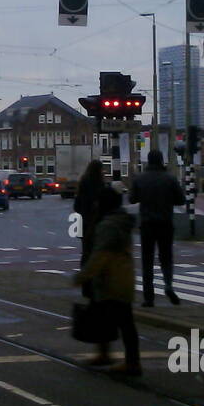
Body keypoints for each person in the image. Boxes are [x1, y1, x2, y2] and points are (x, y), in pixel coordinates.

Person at [75, 186, 141, 376]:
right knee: (107, 317)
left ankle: (131, 362)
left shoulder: (107, 225)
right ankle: (107, 354)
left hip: (111, 281)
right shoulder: (120, 221)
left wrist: (83, 275)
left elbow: (101, 255)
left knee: (122, 321)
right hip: (122, 277)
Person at [129, 149, 185, 306]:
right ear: (161, 160)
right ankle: (168, 284)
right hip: (166, 223)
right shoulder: (170, 179)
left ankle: (149, 298)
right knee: (166, 257)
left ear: (148, 161)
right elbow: (181, 200)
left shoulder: (141, 179)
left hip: (147, 224)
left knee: (147, 260)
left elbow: (132, 199)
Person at [72, 160, 105, 267]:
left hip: (84, 222)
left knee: (86, 251)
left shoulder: (83, 182)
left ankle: (85, 278)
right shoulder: (100, 184)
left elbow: (77, 206)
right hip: (97, 223)